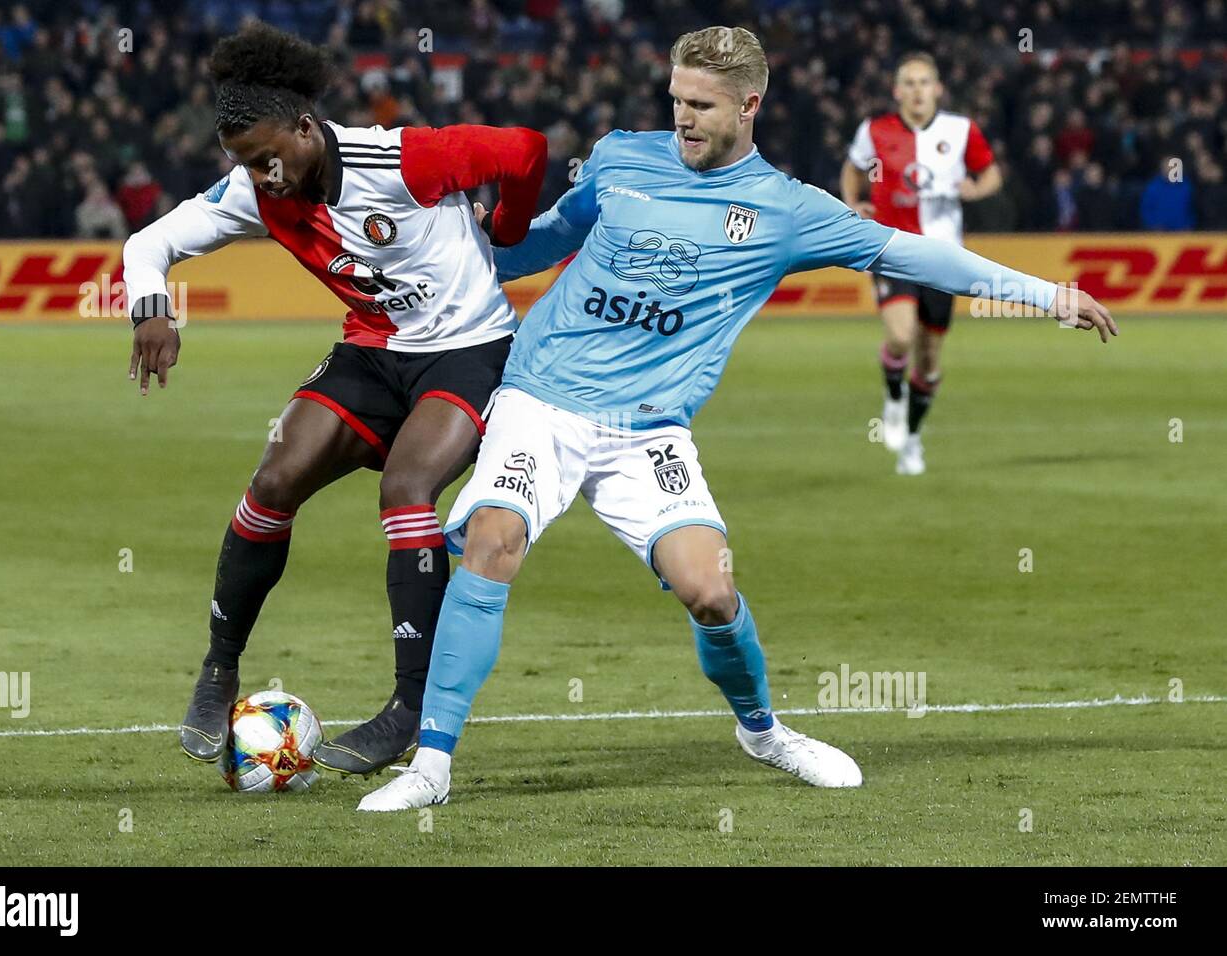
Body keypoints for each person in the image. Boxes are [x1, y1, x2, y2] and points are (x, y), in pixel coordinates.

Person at [356, 26, 1116, 812]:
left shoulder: (788, 210)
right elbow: (545, 240)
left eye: (701, 105)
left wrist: (1044, 293)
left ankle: (763, 732)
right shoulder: (620, 157)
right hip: (541, 398)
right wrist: (440, 258)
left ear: (750, 105)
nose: (681, 118)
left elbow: (910, 253)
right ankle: (432, 767)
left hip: (649, 427)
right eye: (676, 100)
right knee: (492, 542)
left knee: (710, 591)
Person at [121, 22, 546, 775]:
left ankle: (411, 707)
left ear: (307, 127)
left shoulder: (405, 158)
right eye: (247, 164)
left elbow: (524, 149)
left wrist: (506, 230)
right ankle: (220, 671)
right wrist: (152, 307)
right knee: (274, 480)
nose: (264, 176)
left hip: (468, 349)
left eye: (269, 155)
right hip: (374, 349)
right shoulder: (254, 189)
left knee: (407, 488)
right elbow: (148, 245)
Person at [840, 52, 1004, 475]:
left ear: (938, 89)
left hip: (944, 257)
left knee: (929, 359)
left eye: (924, 82)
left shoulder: (961, 130)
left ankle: (912, 439)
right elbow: (853, 169)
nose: (917, 90)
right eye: (909, 83)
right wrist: (852, 203)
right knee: (900, 335)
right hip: (892, 249)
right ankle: (893, 396)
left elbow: (992, 175)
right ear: (897, 91)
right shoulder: (874, 131)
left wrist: (974, 189)